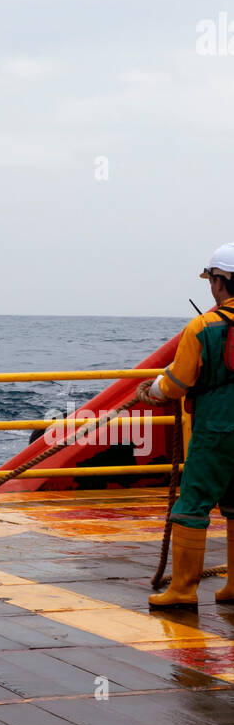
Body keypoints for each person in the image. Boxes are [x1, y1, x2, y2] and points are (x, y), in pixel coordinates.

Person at [139, 244, 234, 608]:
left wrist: (153, 390)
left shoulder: (202, 327)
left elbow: (177, 382)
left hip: (216, 429)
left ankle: (182, 590)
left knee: (192, 505)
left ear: (220, 281)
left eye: (212, 278)